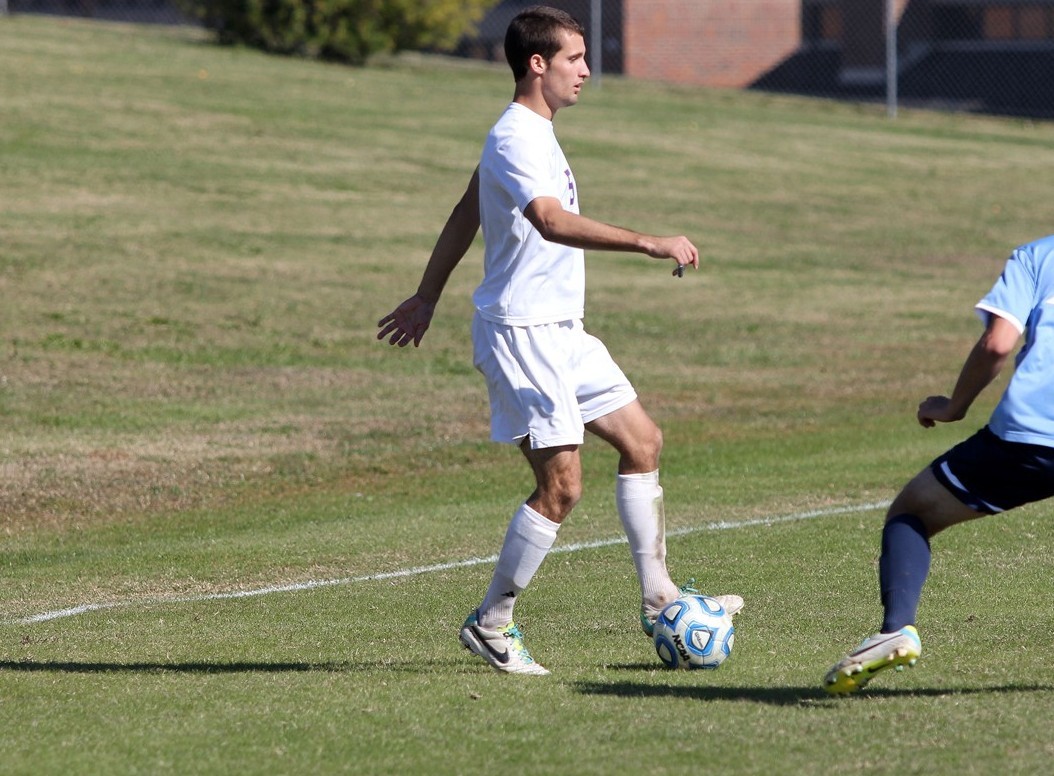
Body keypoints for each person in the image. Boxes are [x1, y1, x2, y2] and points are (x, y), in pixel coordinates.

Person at [377, 5, 742, 676]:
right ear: (537, 63)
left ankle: (660, 598)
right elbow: (548, 220)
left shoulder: (532, 135)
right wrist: (648, 241)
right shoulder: (516, 136)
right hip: (522, 334)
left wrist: (427, 295)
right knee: (563, 486)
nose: (586, 70)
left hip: (562, 330)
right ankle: (492, 623)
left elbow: (466, 209)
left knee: (642, 441)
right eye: (574, 58)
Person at [824, 234, 1054, 694]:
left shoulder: (1039, 256)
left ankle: (895, 630)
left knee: (912, 511)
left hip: (1032, 434)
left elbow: (997, 344)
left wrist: (954, 406)